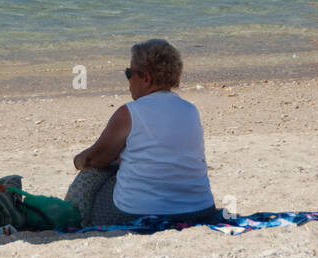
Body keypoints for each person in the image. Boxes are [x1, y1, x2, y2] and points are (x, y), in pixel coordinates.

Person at [65, 39, 217, 227]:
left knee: (95, 172)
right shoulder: (190, 110)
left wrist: (77, 161)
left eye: (129, 73)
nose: (128, 80)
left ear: (146, 78)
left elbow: (93, 159)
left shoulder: (129, 113)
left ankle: (71, 220)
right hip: (200, 211)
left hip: (137, 213)